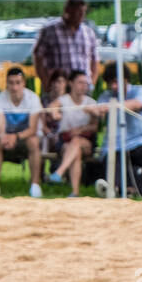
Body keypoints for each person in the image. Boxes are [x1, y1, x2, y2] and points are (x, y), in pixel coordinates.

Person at [98, 62, 142, 197]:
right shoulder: (106, 96)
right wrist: (96, 110)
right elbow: (98, 110)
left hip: (139, 141)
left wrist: (114, 105)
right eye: (110, 83)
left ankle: (137, 190)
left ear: (126, 79)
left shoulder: (140, 90)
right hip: (115, 146)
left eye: (116, 82)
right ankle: (115, 189)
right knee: (112, 165)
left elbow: (138, 104)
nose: (113, 87)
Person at [0, 66, 43, 197]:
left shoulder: (33, 98)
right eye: (11, 83)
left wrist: (15, 137)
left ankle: (35, 185)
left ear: (24, 83)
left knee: (34, 142)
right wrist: (3, 137)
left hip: (25, 138)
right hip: (7, 139)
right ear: (6, 83)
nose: (14, 87)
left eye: (18, 83)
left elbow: (33, 129)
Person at [45, 68, 98, 196]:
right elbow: (51, 107)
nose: (84, 86)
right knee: (76, 150)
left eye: (86, 83)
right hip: (65, 141)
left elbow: (94, 127)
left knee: (77, 141)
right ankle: (75, 192)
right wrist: (55, 113)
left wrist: (81, 129)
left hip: (86, 141)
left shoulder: (91, 103)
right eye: (80, 82)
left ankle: (59, 172)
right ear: (71, 83)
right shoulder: (64, 100)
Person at [33, 0, 100, 88]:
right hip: (58, 86)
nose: (79, 15)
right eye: (76, 12)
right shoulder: (50, 30)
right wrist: (46, 82)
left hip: (82, 87)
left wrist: (92, 83)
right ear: (67, 10)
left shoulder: (89, 32)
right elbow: (38, 57)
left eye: (82, 12)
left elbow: (95, 60)